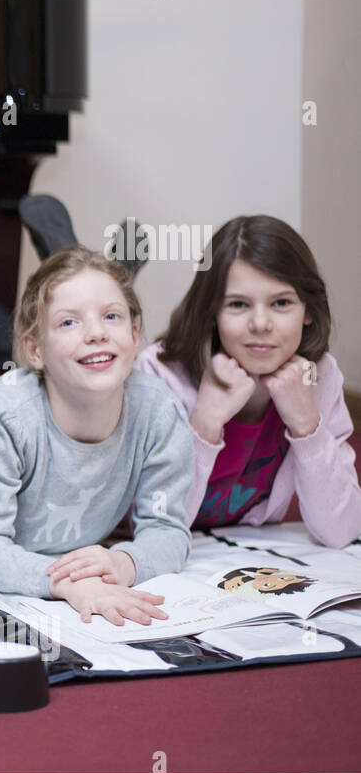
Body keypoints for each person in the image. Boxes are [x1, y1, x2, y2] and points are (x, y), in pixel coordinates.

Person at [0, 245, 192, 626]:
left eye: (112, 316)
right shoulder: (5, 412)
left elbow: (168, 530)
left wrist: (124, 562)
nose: (96, 333)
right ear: (35, 350)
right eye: (69, 322)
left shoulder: (158, 411)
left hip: (83, 567)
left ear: (135, 336)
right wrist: (67, 583)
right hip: (28, 565)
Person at [136, 215, 360, 547]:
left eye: (281, 303)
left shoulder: (319, 375)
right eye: (238, 304)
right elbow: (153, 525)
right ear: (212, 313)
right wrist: (204, 424)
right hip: (176, 558)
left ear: (308, 310)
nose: (260, 323)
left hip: (244, 556)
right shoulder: (158, 373)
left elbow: (341, 530)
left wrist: (307, 424)